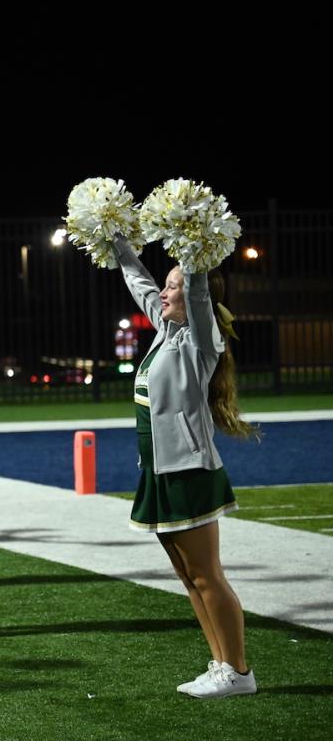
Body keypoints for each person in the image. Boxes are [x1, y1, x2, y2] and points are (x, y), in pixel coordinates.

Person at [114, 237, 257, 698]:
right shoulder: (165, 332)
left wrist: (193, 252)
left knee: (206, 575)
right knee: (188, 578)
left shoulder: (201, 338)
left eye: (174, 287)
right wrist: (116, 240)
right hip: (159, 471)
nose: (165, 293)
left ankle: (238, 670)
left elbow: (196, 294)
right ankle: (220, 665)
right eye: (168, 285)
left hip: (190, 471)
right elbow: (141, 284)